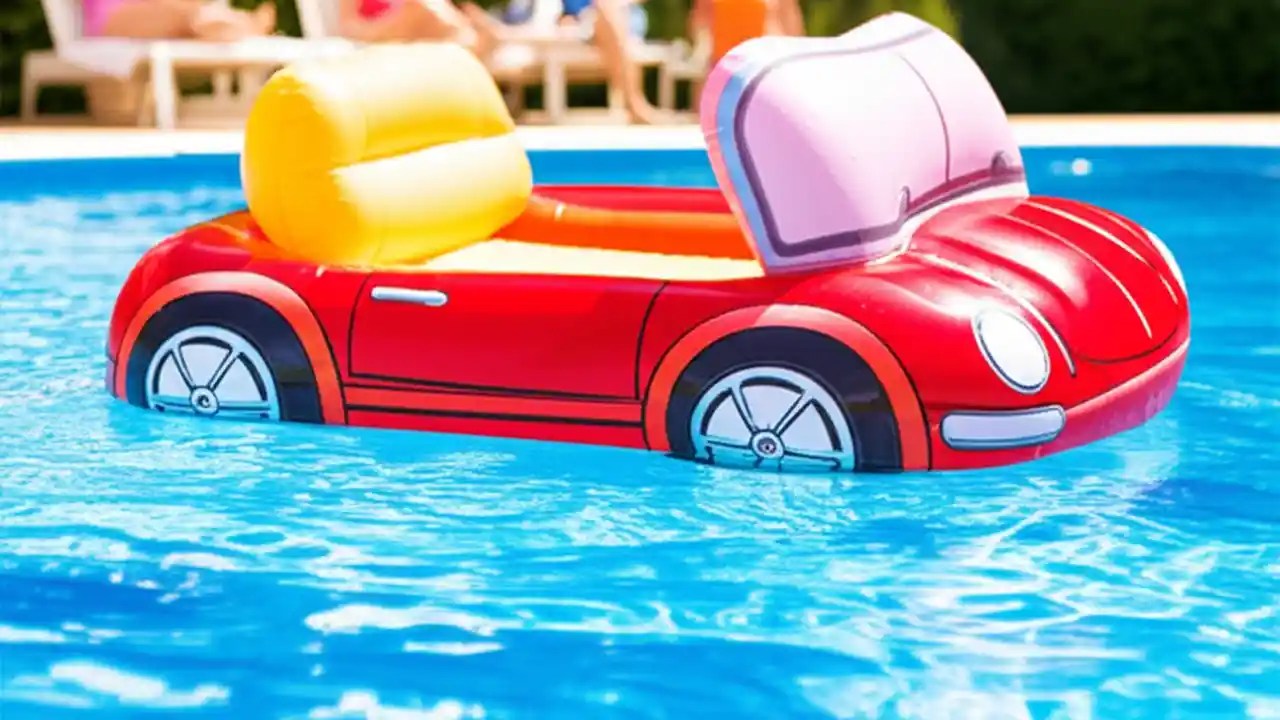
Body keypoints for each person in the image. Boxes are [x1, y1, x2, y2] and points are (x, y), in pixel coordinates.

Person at [461, 0, 666, 124]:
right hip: (566, 26)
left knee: (606, 8)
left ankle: (635, 104)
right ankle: (474, 108)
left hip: (610, 19)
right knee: (475, 28)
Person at [83, 0, 277, 41]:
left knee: (191, 17)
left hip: (133, 14)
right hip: (112, 19)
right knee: (190, 16)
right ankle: (240, 23)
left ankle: (235, 24)